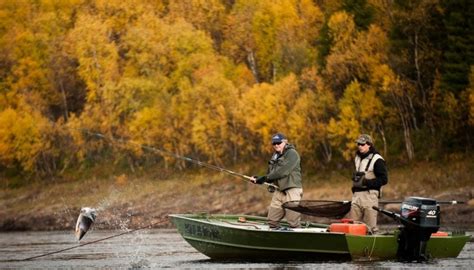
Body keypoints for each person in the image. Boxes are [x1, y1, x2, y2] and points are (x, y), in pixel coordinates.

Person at [251, 133, 303, 229]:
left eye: (278, 142)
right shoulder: (275, 156)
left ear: (285, 142)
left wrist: (264, 178)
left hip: (292, 191)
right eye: (274, 143)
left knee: (293, 222)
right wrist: (258, 179)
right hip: (278, 191)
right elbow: (271, 173)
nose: (276, 145)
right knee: (272, 221)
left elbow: (282, 171)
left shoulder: (292, 154)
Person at [347, 134, 388, 234]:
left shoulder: (377, 159)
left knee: (370, 229)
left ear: (369, 144)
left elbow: (384, 179)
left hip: (370, 197)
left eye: (362, 144)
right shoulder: (357, 157)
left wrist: (367, 182)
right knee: (353, 226)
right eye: (358, 144)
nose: (359, 146)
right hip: (357, 196)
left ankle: (371, 248)